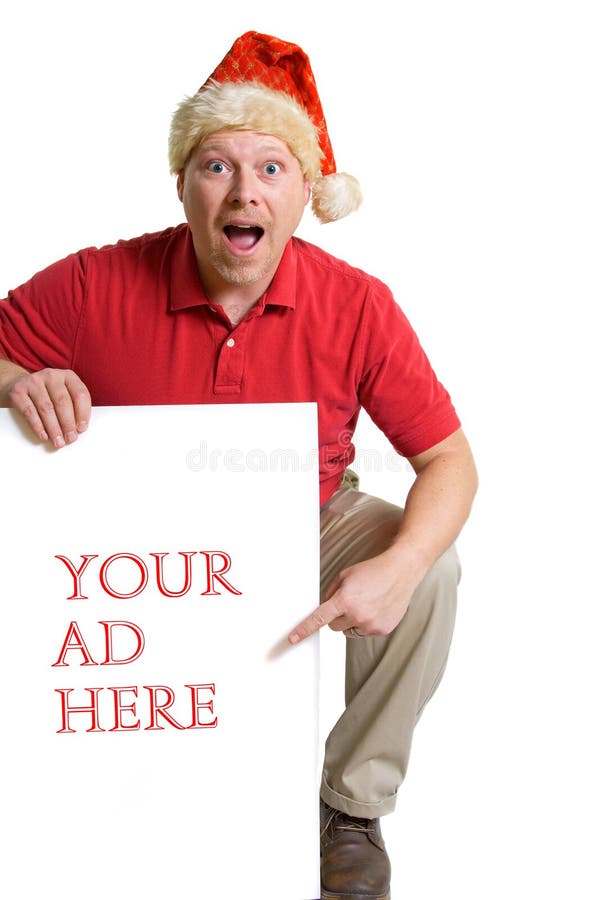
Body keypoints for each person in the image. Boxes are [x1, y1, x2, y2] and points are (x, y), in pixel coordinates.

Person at [0, 31, 477, 900]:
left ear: (304, 193)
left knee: (432, 565)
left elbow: (448, 460)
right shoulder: (95, 282)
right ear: (183, 183)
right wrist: (17, 379)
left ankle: (351, 808)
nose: (242, 190)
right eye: (217, 166)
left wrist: (399, 567)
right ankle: (78, 786)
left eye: (270, 168)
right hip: (132, 547)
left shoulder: (358, 304)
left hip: (308, 520)